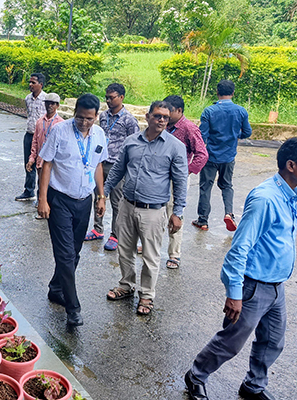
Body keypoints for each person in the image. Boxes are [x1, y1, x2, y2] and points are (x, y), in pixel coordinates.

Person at [184, 138, 297, 400]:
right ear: (291, 165)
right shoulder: (265, 199)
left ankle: (253, 385)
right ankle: (196, 375)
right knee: (231, 342)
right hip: (252, 286)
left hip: (275, 286)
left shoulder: (288, 195)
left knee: (272, 341)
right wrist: (235, 292)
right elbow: (239, 248)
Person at [103, 101, 188, 316]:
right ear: (148, 116)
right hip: (127, 205)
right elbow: (117, 171)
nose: (161, 120)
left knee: (150, 256)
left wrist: (177, 213)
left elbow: (180, 182)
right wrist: (103, 193)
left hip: (153, 211)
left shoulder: (175, 146)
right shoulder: (132, 142)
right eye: (158, 116)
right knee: (125, 250)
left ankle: (147, 295)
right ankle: (126, 285)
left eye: (166, 118)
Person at [37, 93, 108, 327]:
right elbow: (46, 164)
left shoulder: (99, 134)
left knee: (74, 253)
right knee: (65, 255)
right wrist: (42, 199)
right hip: (59, 200)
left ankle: (56, 288)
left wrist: (101, 196)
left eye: (89, 119)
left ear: (96, 116)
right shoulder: (60, 131)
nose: (84, 123)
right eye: (80, 117)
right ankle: (73, 307)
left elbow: (97, 165)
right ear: (74, 112)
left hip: (84, 200)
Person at [85, 83, 141, 251]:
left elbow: (135, 144)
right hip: (101, 163)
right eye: (106, 97)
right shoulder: (103, 116)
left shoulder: (129, 120)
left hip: (118, 166)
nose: (108, 100)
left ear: (121, 97)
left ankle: (115, 235)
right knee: (99, 197)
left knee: (117, 202)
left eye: (112, 97)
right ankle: (97, 229)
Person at [193, 79, 252, 232]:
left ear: (217, 92)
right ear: (233, 93)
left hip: (211, 156)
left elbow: (202, 135)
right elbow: (247, 132)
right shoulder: (241, 111)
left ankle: (203, 220)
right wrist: (234, 134)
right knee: (227, 186)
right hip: (229, 156)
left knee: (206, 187)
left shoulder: (209, 111)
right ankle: (229, 213)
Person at [163, 95, 208, 269]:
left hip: (177, 179)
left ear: (179, 111)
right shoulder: (164, 125)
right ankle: (148, 246)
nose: (165, 114)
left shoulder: (189, 128)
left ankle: (174, 255)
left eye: (170, 111)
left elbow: (202, 154)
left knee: (175, 213)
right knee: (155, 212)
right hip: (159, 176)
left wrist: (185, 171)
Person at [26, 92, 63, 219]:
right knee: (42, 183)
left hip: (54, 162)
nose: (49, 106)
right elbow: (35, 142)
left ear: (57, 105)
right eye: (47, 103)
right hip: (40, 160)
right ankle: (43, 208)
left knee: (54, 186)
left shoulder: (61, 124)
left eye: (52, 104)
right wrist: (31, 158)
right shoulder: (39, 122)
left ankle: (54, 209)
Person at [15, 72, 46, 202]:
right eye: (30, 82)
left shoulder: (46, 99)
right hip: (29, 134)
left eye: (33, 82)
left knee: (42, 166)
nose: (30, 84)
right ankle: (28, 191)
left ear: (41, 84)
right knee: (28, 163)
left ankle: (42, 195)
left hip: (42, 137)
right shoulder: (28, 98)